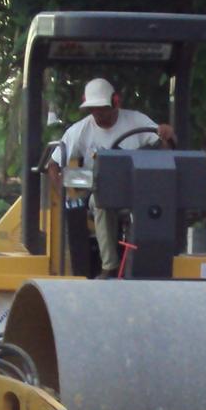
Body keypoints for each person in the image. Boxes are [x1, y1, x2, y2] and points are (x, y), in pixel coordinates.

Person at [49, 77, 175, 277]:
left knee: (158, 204)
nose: (97, 113)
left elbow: (166, 149)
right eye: (93, 108)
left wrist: (167, 136)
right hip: (101, 191)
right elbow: (54, 164)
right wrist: (63, 192)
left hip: (138, 190)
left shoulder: (137, 121)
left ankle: (156, 262)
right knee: (101, 202)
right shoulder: (80, 131)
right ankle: (110, 266)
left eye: (102, 107)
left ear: (115, 102)